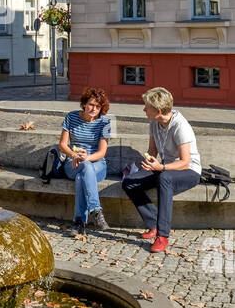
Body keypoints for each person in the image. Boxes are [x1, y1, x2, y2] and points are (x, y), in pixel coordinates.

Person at [122, 86, 201, 254]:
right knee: (129, 182)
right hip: (165, 168)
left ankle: (163, 236)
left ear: (158, 110)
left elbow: (185, 162)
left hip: (189, 172)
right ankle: (154, 224)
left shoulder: (180, 126)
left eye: (146, 107)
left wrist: (161, 167)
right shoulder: (154, 122)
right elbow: (152, 151)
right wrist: (149, 162)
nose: (144, 109)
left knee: (164, 178)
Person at [58, 87, 114, 233]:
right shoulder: (71, 117)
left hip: (97, 165)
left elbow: (102, 152)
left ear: (102, 108)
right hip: (73, 162)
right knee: (83, 170)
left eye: (98, 106)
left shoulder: (105, 122)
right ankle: (96, 210)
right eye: (91, 104)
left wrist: (87, 158)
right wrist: (74, 155)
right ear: (84, 104)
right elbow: (63, 144)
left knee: (81, 176)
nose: (94, 109)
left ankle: (79, 222)